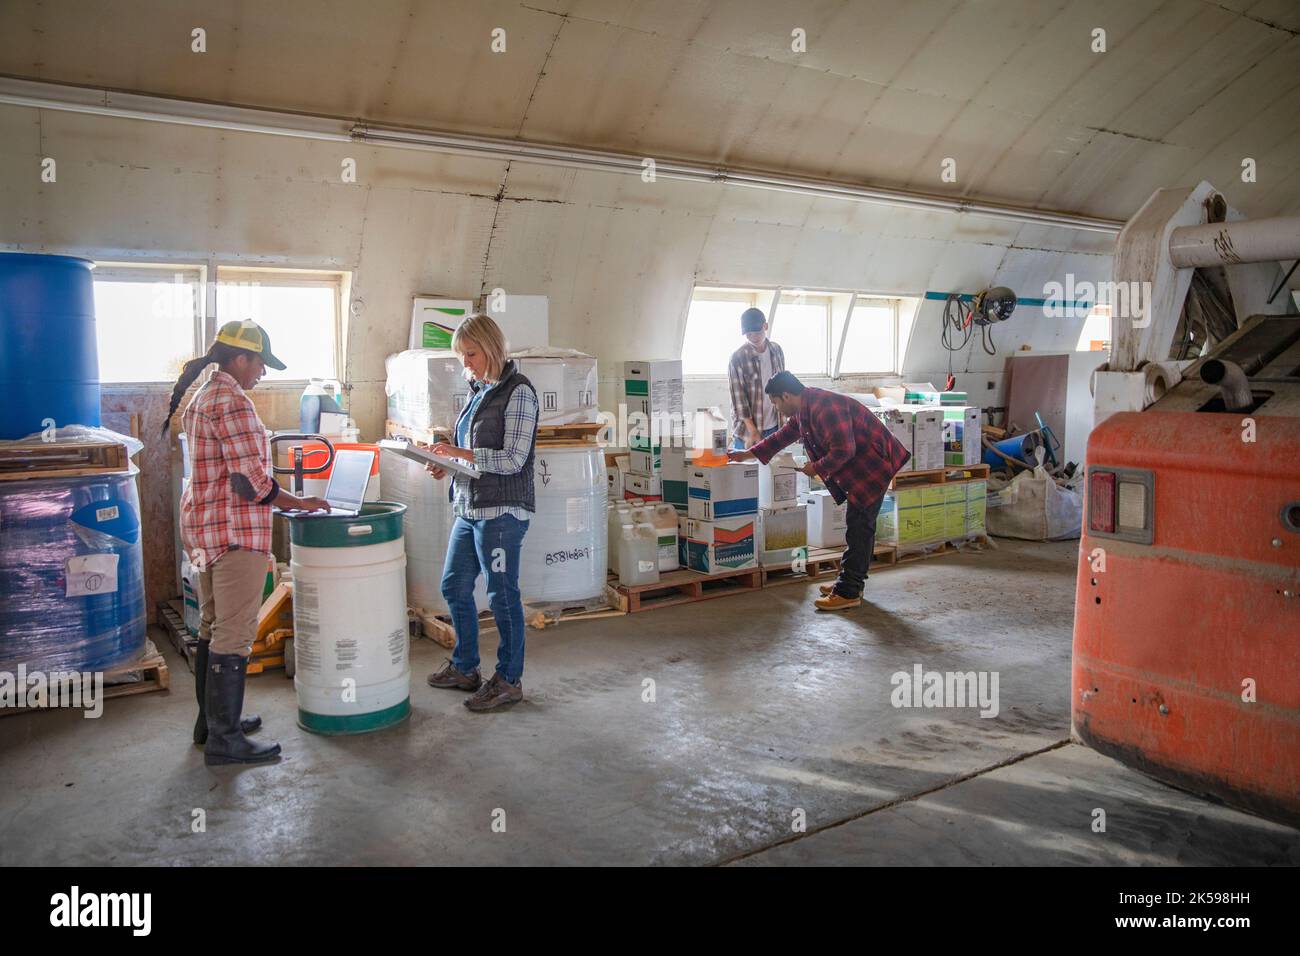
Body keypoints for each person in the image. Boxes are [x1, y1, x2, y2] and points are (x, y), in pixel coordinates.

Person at [165, 320, 329, 765]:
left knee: (213, 624)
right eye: (260, 364)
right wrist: (301, 502)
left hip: (205, 526)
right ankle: (225, 739)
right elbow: (250, 482)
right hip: (235, 532)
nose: (262, 373)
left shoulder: (204, 396)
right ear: (240, 359)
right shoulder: (233, 401)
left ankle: (213, 722)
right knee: (235, 632)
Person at [423, 314, 537, 712]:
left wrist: (459, 453)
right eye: (461, 356)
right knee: (454, 585)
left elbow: (513, 459)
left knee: (501, 595)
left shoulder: (518, 392)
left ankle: (508, 679)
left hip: (502, 512)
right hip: (470, 506)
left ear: (491, 348)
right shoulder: (480, 392)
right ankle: (465, 667)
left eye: (470, 354)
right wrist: (446, 463)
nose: (465, 364)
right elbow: (468, 453)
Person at [729, 371, 910, 612]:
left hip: (873, 466)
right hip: (862, 465)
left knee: (860, 527)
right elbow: (780, 438)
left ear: (786, 395)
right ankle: (848, 583)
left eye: (775, 403)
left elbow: (844, 450)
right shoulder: (805, 409)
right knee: (857, 525)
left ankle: (849, 591)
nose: (777, 409)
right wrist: (745, 454)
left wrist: (815, 467)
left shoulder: (826, 408)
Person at [727, 307, 786, 450]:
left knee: (774, 471)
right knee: (746, 471)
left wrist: (785, 425)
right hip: (747, 432)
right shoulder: (737, 358)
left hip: (775, 427)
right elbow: (738, 400)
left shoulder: (776, 351)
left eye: (757, 332)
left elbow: (783, 385)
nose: (754, 337)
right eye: (749, 334)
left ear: (765, 326)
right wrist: (752, 431)